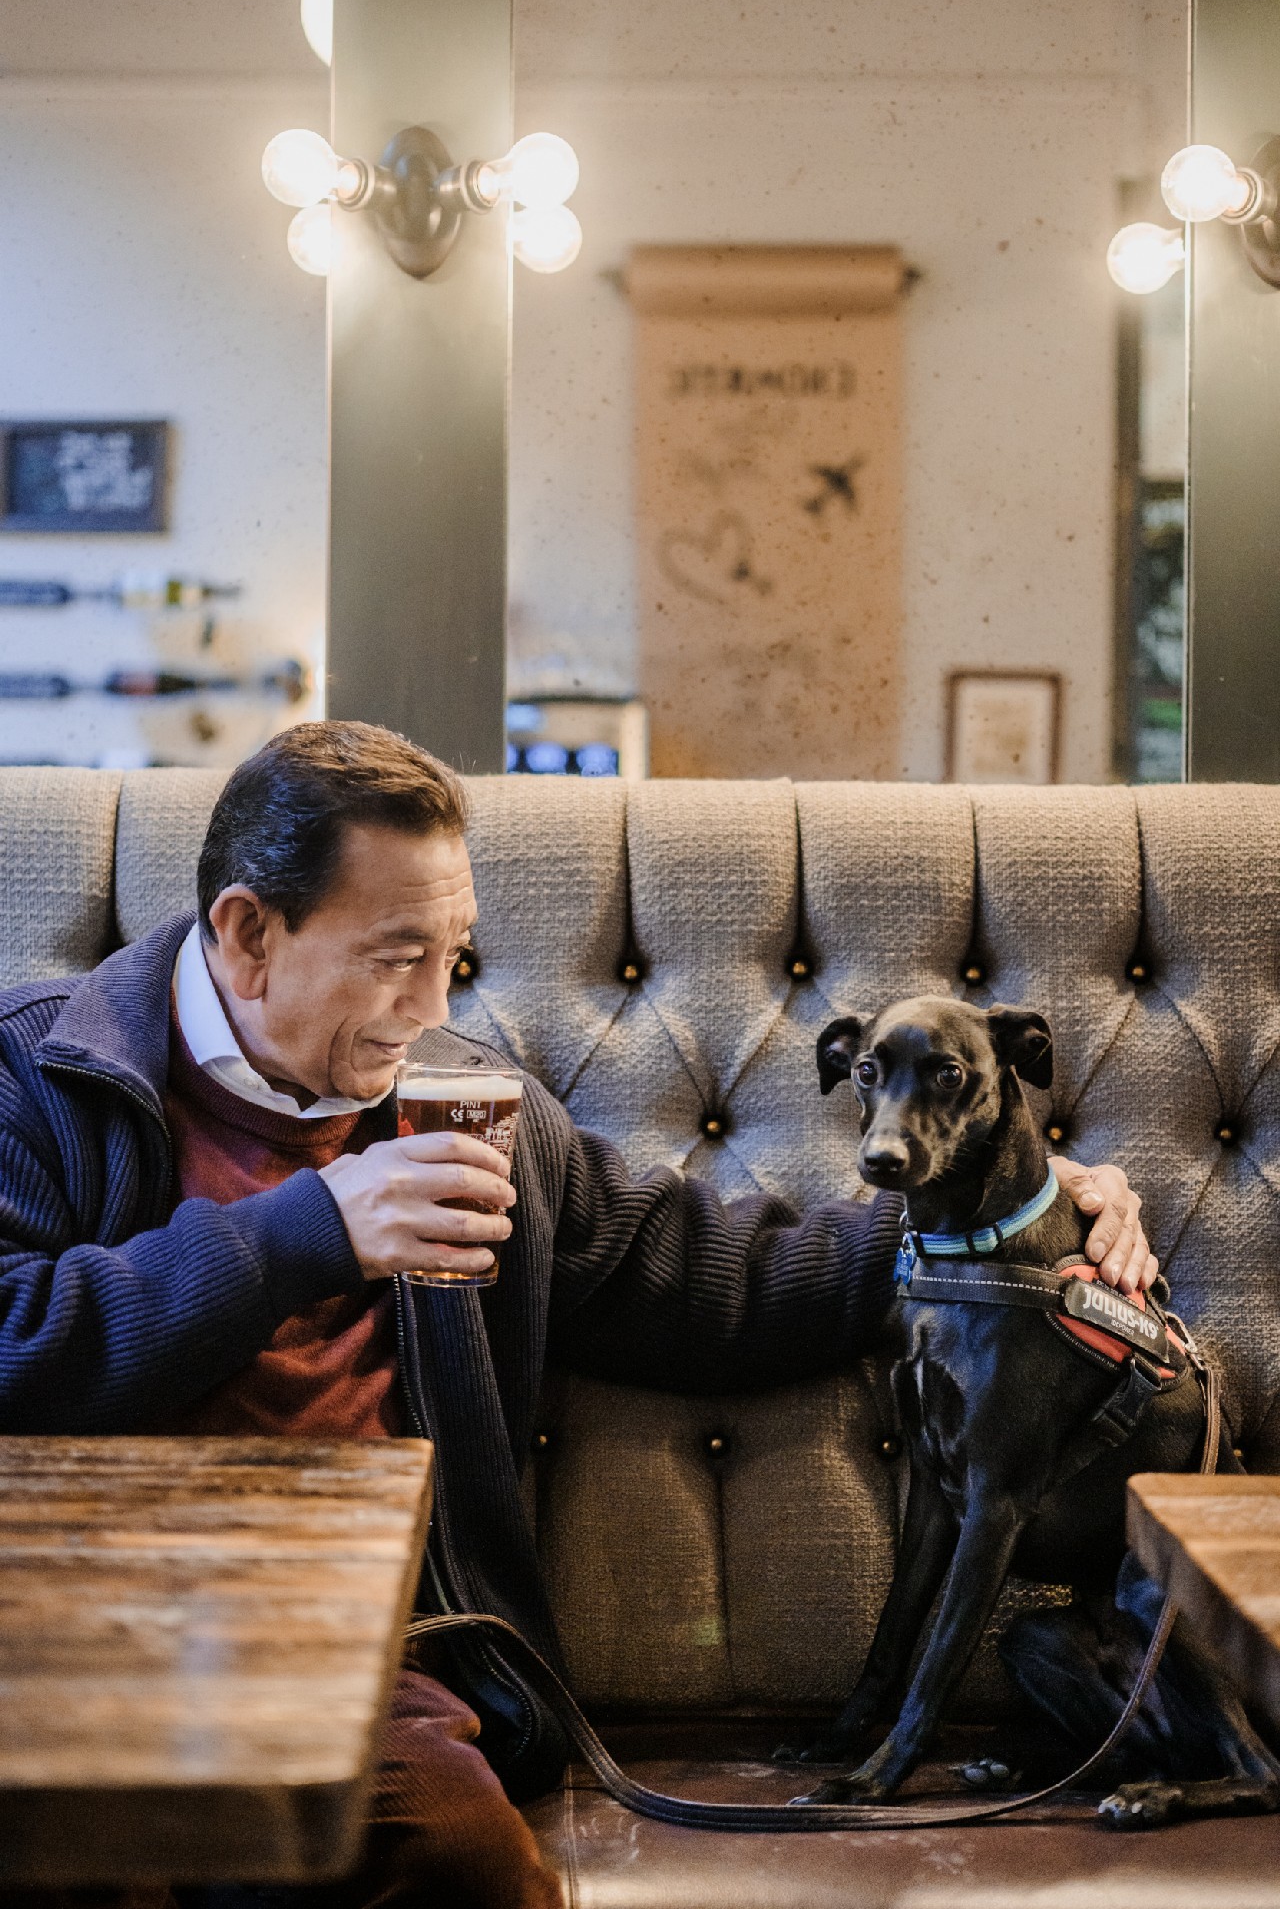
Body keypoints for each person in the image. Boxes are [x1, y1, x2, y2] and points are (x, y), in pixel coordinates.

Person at [0, 722, 1154, 1909]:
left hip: (359, 1667)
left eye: (452, 955)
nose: (427, 1007)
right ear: (248, 934)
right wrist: (311, 1231)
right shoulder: (38, 1079)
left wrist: (1014, 1217)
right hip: (60, 1640)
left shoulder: (464, 1106)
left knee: (466, 1870)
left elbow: (716, 1281)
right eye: (396, 957)